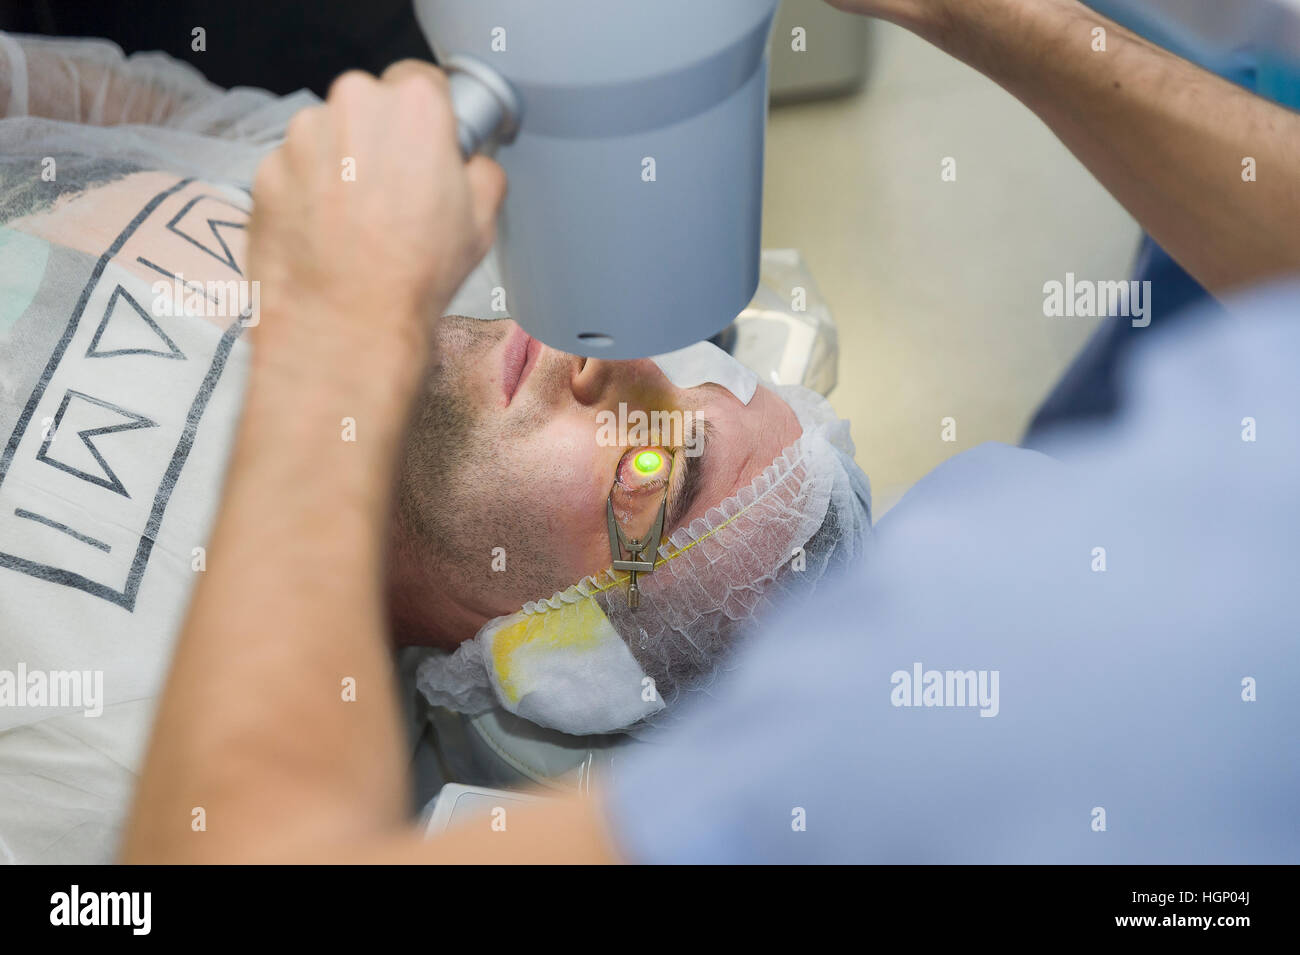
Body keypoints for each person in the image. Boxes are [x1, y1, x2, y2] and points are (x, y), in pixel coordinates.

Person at [0, 34, 870, 863]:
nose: (611, 362)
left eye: (650, 468)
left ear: (553, 665)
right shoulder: (439, 243)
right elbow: (146, 111)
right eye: (684, 369)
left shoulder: (153, 764)